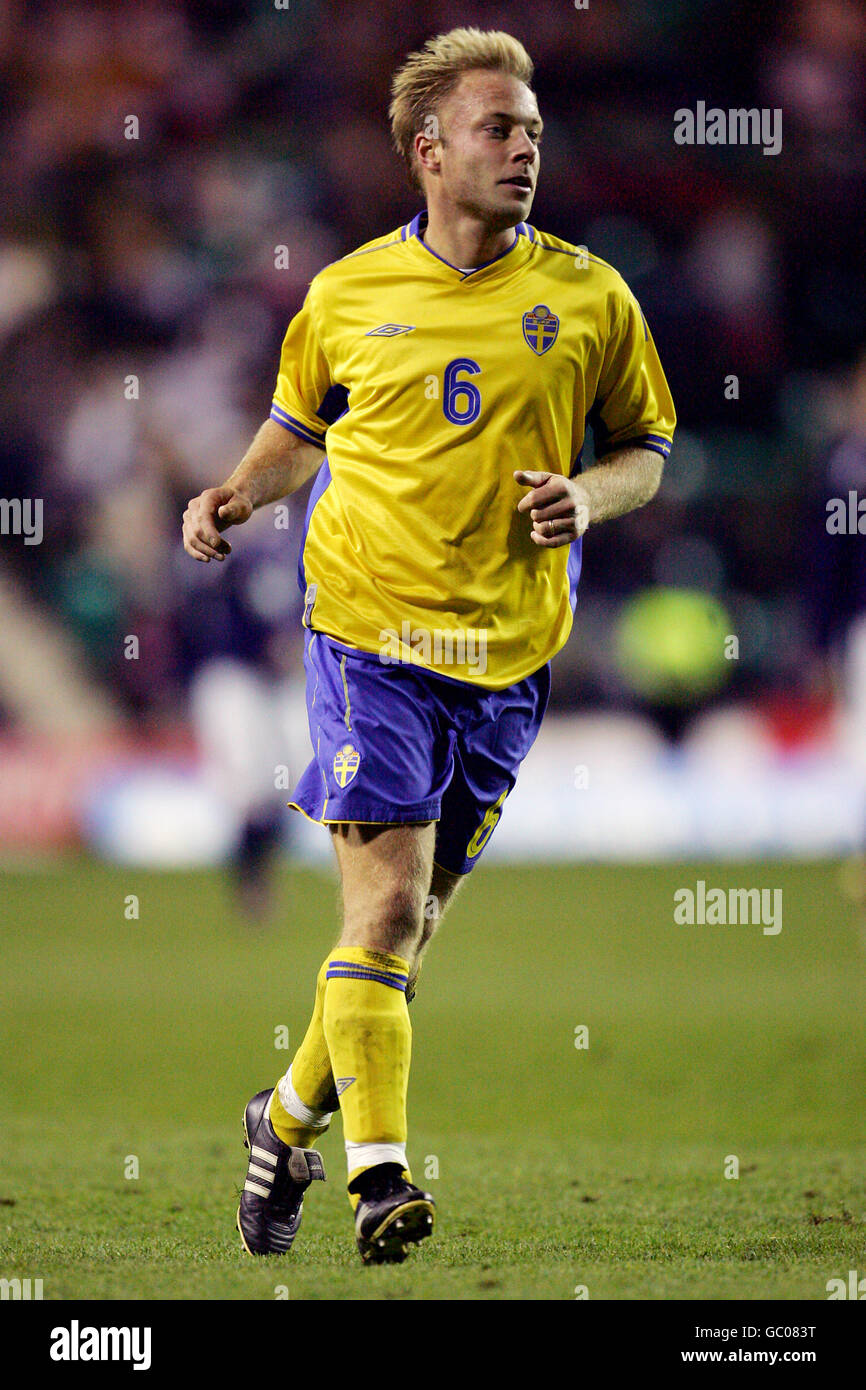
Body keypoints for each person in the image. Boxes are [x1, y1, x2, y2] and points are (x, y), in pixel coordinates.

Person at [182, 27, 676, 1265]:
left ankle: (283, 1114)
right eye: (499, 129)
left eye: (534, 133)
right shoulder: (345, 292)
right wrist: (237, 494)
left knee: (403, 931)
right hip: (366, 633)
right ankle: (376, 1180)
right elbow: (299, 425)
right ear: (427, 149)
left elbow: (646, 450)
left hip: (507, 661)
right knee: (387, 905)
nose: (524, 150)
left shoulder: (588, 295)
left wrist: (588, 498)